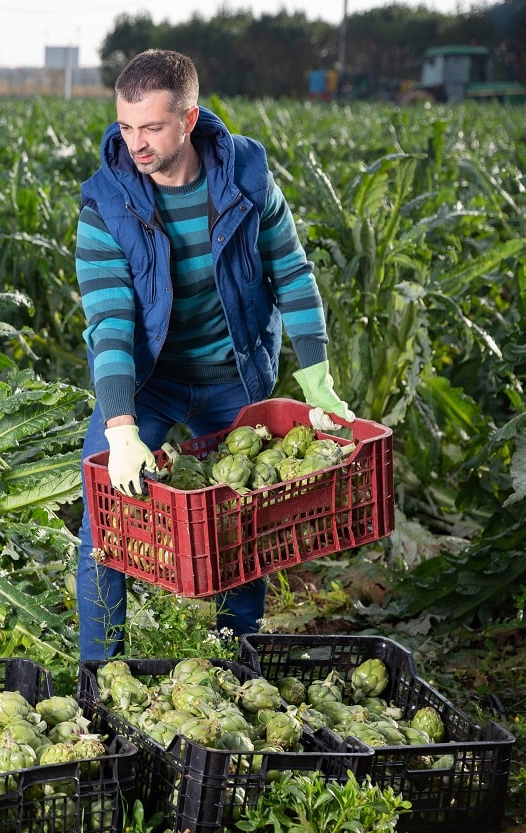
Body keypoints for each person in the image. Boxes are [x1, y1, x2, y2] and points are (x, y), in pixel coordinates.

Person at [75, 49, 353, 661]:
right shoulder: (105, 204)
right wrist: (121, 427)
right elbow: (111, 323)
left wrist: (317, 376)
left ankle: (236, 654)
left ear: (189, 119)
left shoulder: (247, 176)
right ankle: (98, 674)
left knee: (240, 522)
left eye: (151, 127)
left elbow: (292, 272)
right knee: (104, 522)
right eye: (125, 126)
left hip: (232, 372)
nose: (136, 144)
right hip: (150, 380)